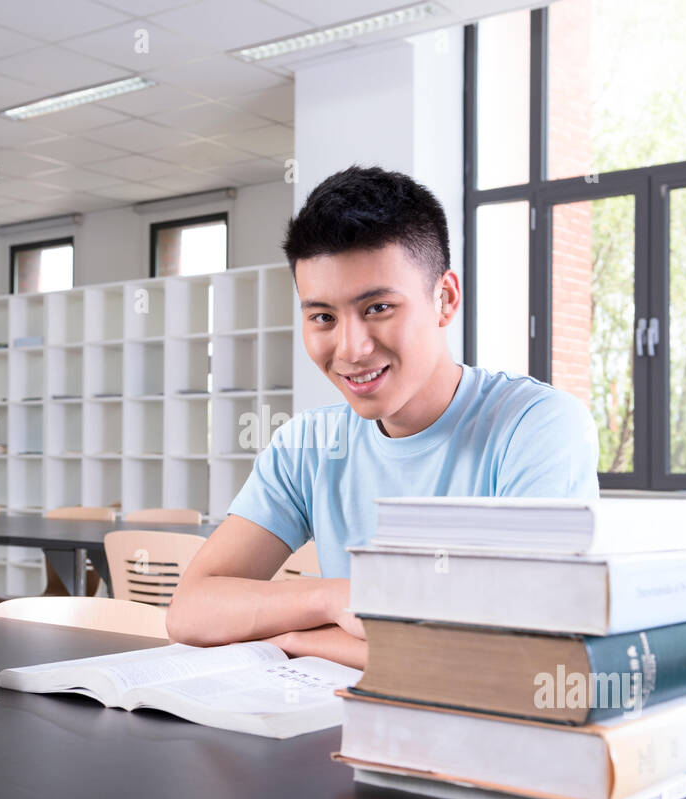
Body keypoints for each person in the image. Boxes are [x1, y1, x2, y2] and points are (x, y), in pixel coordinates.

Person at [167, 165, 599, 668]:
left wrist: (298, 640)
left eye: (377, 308)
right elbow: (190, 611)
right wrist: (338, 598)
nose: (351, 349)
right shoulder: (308, 443)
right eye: (323, 317)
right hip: (334, 728)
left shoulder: (539, 427)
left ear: (445, 299)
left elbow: (522, 648)